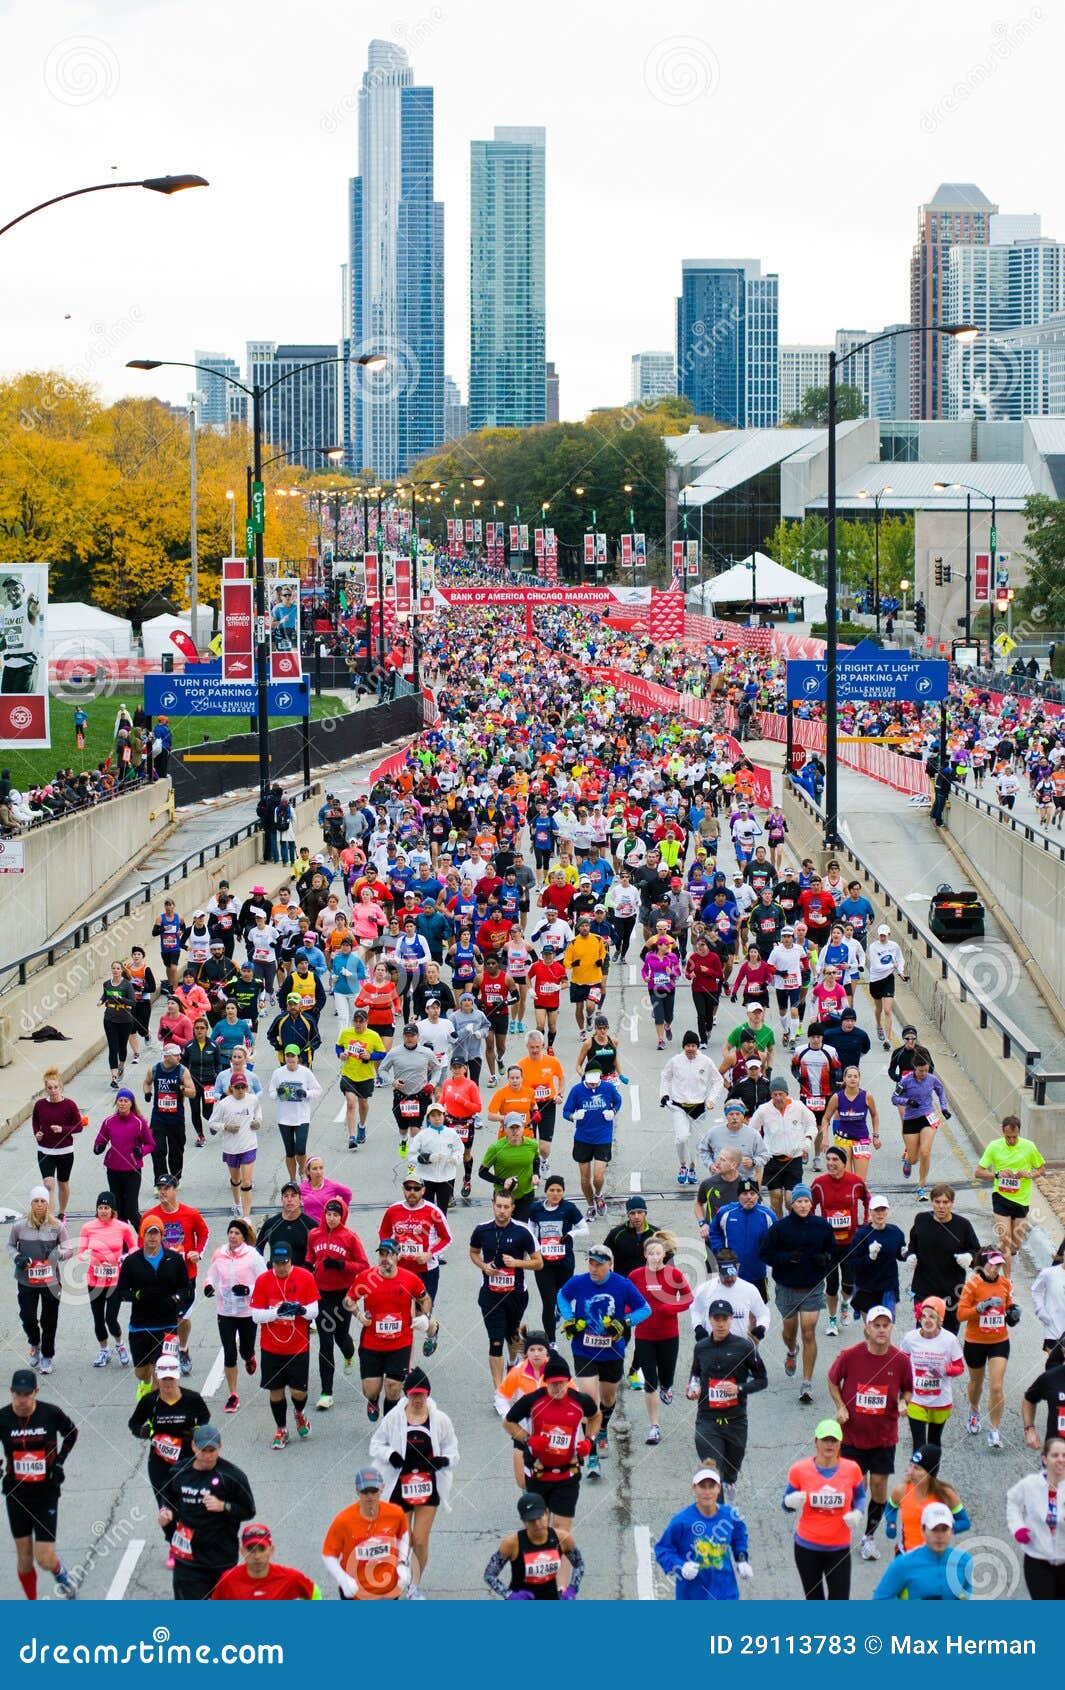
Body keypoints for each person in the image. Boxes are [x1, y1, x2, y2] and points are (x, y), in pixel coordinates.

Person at [826, 1307, 913, 1562]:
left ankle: (868, 1537)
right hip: (852, 1435)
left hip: (884, 1437)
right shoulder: (850, 1355)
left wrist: (904, 1402)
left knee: (878, 1487)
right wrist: (840, 1406)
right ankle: (839, 1530)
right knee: (854, 1486)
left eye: (886, 1325)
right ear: (867, 1328)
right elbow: (832, 1381)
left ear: (892, 1328)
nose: (881, 1330)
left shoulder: (901, 1360)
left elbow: (908, 1389)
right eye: (877, 1325)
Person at [558, 1243, 651, 1473]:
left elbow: (645, 1309)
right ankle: (591, 1457)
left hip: (612, 1352)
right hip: (584, 1350)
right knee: (589, 1402)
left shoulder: (622, 1284)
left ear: (610, 1264)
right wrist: (569, 1317)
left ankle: (602, 1430)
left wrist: (625, 1322)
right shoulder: (578, 1282)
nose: (593, 1268)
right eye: (591, 1263)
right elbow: (562, 1295)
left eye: (598, 1264)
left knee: (608, 1399)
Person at [369, 1366, 458, 1599]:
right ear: (407, 1394)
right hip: (400, 1486)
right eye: (413, 1395)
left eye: (422, 1395)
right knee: (403, 1539)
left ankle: (414, 1585)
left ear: (428, 1394)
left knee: (419, 1539)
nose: (418, 1399)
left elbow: (452, 1450)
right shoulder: (394, 1418)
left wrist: (444, 1460)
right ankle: (399, 1577)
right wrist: (390, 1455)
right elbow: (375, 1444)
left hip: (428, 1486)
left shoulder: (440, 1420)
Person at [502, 1352, 599, 1533]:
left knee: (562, 1530)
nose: (557, 1387)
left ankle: (560, 1551)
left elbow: (595, 1417)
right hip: (537, 1473)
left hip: (568, 1474)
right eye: (553, 1383)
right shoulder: (533, 1400)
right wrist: (529, 1439)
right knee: (540, 1530)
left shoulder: (579, 1400)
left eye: (561, 1382)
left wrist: (589, 1440)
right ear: (546, 1382)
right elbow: (508, 1423)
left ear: (568, 1381)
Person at [156, 1422, 255, 1599]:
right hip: (187, 1559)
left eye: (212, 1450)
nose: (208, 1456)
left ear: (220, 1447)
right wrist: (166, 1511)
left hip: (221, 1558)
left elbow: (248, 1510)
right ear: (194, 1446)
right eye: (203, 1450)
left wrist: (223, 1506)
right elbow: (167, 1496)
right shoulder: (179, 1471)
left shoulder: (232, 1476)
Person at [128, 1351, 210, 1561]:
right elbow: (134, 1423)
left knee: (187, 1504)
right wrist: (142, 1431)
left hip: (187, 1459)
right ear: (157, 1377)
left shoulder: (192, 1399)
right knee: (165, 1507)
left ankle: (189, 1541)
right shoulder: (149, 1401)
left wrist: (196, 1431)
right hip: (159, 1462)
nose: (167, 1384)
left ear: (177, 1377)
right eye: (164, 1379)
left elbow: (205, 1417)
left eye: (171, 1379)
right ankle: (174, 1545)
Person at [758, 1184, 835, 1403]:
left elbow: (833, 1248)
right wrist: (785, 1258)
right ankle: (792, 1351)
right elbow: (764, 1253)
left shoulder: (822, 1226)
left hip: (812, 1287)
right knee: (789, 1332)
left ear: (811, 1204)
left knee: (809, 1332)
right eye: (799, 1201)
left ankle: (806, 1383)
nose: (803, 1205)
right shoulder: (779, 1228)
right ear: (791, 1204)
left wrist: (825, 1258)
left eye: (806, 1201)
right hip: (787, 1287)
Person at [346, 1239, 433, 1421]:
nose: (385, 1258)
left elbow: (425, 1299)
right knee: (370, 1390)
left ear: (398, 1257)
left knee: (393, 1387)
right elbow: (349, 1300)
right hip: (372, 1343)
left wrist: (425, 1316)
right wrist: (359, 1315)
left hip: (400, 1343)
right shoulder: (366, 1278)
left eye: (390, 1254)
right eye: (382, 1254)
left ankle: (389, 1426)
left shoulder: (410, 1279)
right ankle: (372, 1401)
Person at [686, 1298, 767, 1491]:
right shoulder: (701, 1347)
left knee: (730, 1472)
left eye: (725, 1319)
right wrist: (693, 1388)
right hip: (707, 1420)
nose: (721, 1324)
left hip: (735, 1420)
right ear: (710, 1320)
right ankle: (719, 1504)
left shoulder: (745, 1347)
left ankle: (730, 1484)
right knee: (714, 1473)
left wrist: (739, 1388)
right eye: (717, 1319)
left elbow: (762, 1380)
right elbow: (696, 1372)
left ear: (731, 1319)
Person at [783, 1419, 866, 1601]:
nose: (830, 1444)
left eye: (834, 1440)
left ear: (840, 1443)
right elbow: (785, 1504)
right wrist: (790, 1501)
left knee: (840, 1599)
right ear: (816, 1441)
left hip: (839, 1548)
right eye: (825, 1439)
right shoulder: (799, 1470)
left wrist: (858, 1513)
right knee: (814, 1599)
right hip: (807, 1548)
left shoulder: (852, 1469)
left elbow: (860, 1497)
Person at [248, 1240, 318, 1449]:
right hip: (272, 1347)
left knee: (298, 1392)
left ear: (291, 1260)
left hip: (297, 1347)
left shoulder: (305, 1277)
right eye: (277, 1263)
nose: (281, 1268)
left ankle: (299, 1413)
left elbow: (314, 1310)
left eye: (284, 1263)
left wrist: (301, 1311)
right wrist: (276, 1312)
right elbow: (255, 1315)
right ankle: (281, 1429)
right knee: (275, 1391)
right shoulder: (263, 1280)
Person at [469, 1191, 542, 1389]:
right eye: (499, 1206)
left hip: (516, 1294)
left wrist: (517, 1262)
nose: (502, 1211)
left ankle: (512, 1362)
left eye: (506, 1207)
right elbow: (474, 1252)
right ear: (493, 1205)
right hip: (490, 1295)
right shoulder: (482, 1230)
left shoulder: (523, 1231)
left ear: (512, 1208)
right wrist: (483, 1266)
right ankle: (499, 1390)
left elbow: (538, 1263)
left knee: (512, 1336)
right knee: (495, 1341)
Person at [112, 1215, 191, 1398]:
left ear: (162, 1235)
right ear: (142, 1235)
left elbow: (185, 1288)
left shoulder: (174, 1259)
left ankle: (154, 1409)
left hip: (167, 1325)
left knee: (159, 1371)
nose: (153, 1237)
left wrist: (176, 1298)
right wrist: (137, 1295)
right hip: (140, 1325)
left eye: (156, 1233)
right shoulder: (132, 1261)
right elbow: (121, 1291)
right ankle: (145, 1384)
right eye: (149, 1233)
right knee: (142, 1372)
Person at [629, 1234, 695, 1443]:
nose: (655, 1257)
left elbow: (688, 1298)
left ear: (664, 1255)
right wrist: (627, 1316)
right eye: (651, 1254)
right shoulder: (635, 1276)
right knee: (650, 1382)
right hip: (644, 1336)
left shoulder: (673, 1274)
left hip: (668, 1335)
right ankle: (654, 1427)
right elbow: (627, 1301)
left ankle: (667, 1387)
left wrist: (671, 1308)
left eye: (658, 1253)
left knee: (666, 1377)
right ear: (645, 1255)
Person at [654, 1467, 753, 1600]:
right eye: (702, 1487)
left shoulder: (730, 1516)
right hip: (692, 1596)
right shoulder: (682, 1521)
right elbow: (663, 1549)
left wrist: (741, 1559)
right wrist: (681, 1567)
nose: (707, 1492)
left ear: (719, 1488)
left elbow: (739, 1537)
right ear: (694, 1488)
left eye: (711, 1486)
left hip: (725, 1593)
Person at [307, 1198, 369, 1409]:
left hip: (343, 1295)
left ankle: (349, 1354)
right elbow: (310, 1257)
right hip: (321, 1295)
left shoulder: (350, 1237)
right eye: (329, 1214)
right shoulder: (314, 1234)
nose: (331, 1219)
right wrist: (306, 1267)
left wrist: (342, 1265)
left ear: (342, 1217)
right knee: (325, 1342)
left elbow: (363, 1265)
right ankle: (327, 1392)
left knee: (340, 1337)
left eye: (336, 1215)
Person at [202, 1218, 268, 1414]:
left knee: (245, 1350)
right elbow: (211, 1275)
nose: (233, 1236)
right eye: (230, 1232)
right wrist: (208, 1286)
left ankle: (249, 1357)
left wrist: (248, 1289)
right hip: (225, 1311)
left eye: (237, 1233)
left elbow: (265, 1281)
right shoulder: (220, 1254)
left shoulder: (253, 1256)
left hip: (246, 1311)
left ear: (244, 1237)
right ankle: (233, 1395)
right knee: (229, 1353)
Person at [956, 1247, 1016, 1450]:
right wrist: (980, 1307)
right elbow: (960, 1315)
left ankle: (994, 1430)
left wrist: (1013, 1313)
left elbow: (1009, 1307)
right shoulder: (972, 1284)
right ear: (983, 1265)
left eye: (999, 1265)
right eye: (992, 1264)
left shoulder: (1005, 1283)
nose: (995, 1269)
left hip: (999, 1341)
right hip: (975, 1342)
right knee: (976, 1382)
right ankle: (974, 1410)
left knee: (997, 1386)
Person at [321, 1467, 411, 1601]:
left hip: (389, 1589)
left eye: (374, 1490)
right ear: (357, 1491)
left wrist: (402, 1563)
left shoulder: (395, 1513)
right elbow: (328, 1554)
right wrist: (343, 1579)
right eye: (365, 1491)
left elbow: (403, 1535)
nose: (370, 1496)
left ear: (382, 1488)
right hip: (356, 1591)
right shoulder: (343, 1520)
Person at [8, 1188, 72, 1374]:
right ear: (31, 1203)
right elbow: (10, 1245)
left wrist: (57, 1254)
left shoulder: (57, 1226)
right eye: (36, 1201)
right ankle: (34, 1343)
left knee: (49, 1320)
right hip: (26, 1280)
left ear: (48, 1204)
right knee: (27, 1317)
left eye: (43, 1201)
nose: (39, 1204)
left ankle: (47, 1355)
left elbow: (69, 1249)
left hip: (51, 1282)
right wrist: (18, 1257)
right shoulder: (19, 1226)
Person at [150, 1174, 208, 1377]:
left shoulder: (190, 1214)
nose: (163, 1192)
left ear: (176, 1189)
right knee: (165, 1316)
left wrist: (198, 1253)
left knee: (182, 1317)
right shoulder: (152, 1216)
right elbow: (142, 1242)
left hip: (186, 1275)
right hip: (162, 1276)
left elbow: (204, 1233)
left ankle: (182, 1349)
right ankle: (167, 1355)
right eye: (160, 1189)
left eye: (166, 1188)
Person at [906, 1183, 981, 1335]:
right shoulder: (921, 1220)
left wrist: (969, 1257)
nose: (941, 1206)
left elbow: (977, 1251)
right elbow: (912, 1244)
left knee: (948, 1334)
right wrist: (911, 1255)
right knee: (924, 1331)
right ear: (931, 1202)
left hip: (951, 1291)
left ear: (952, 1203)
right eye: (937, 1202)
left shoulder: (963, 1225)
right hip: (924, 1288)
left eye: (945, 1202)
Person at [484, 1489, 584, 1600]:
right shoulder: (512, 1543)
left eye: (539, 1517)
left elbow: (579, 1564)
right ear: (523, 1521)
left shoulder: (562, 1538)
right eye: (531, 1520)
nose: (537, 1524)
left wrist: (572, 1589)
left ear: (546, 1514)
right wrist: (510, 1595)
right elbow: (489, 1575)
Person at [974, 1113, 1046, 1268]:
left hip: (1021, 1199)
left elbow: (1042, 1169)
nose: (1012, 1140)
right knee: (1005, 1239)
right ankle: (1007, 1278)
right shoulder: (994, 1146)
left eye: (1014, 1137)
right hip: (1001, 1196)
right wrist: (997, 1174)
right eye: (1008, 1137)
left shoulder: (1029, 1146)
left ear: (1019, 1132)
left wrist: (1029, 1175)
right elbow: (978, 1172)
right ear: (1003, 1132)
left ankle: (1012, 1255)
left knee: (1016, 1244)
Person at [76, 1192, 137, 1368]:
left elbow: (134, 1247)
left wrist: (126, 1257)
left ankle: (120, 1344)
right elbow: (80, 1253)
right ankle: (104, 1350)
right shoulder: (88, 1228)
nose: (103, 1211)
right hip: (94, 1281)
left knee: (111, 1318)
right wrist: (85, 1255)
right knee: (98, 1319)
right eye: (100, 1208)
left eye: (106, 1208)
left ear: (113, 1210)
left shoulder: (122, 1227)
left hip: (114, 1281)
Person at [898, 1296, 966, 1450]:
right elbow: (901, 1366)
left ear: (940, 1320)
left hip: (940, 1401)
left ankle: (931, 1467)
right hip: (916, 1399)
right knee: (919, 1446)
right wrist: (902, 1398)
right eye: (924, 1316)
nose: (927, 1320)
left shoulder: (950, 1340)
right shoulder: (910, 1338)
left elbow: (960, 1367)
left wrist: (945, 1370)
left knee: (934, 1445)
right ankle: (917, 1466)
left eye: (932, 1317)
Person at [659, 1032, 725, 1187]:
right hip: (679, 1106)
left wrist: (711, 1099)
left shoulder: (706, 1061)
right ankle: (683, 1166)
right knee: (681, 1138)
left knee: (695, 1142)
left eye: (693, 1045)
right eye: (688, 1045)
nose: (690, 1048)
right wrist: (664, 1094)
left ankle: (692, 1168)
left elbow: (718, 1081)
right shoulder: (675, 1061)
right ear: (684, 1046)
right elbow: (665, 1076)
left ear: (697, 1046)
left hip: (698, 1107)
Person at [872, 1501, 973, 1599]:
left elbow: (965, 1592)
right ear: (923, 1531)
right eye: (934, 1529)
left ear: (952, 1531)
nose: (940, 1535)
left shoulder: (964, 1561)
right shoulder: (903, 1564)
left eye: (944, 1529)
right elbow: (880, 1599)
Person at [1006, 1436, 1065, 1599]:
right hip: (1037, 1559)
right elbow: (1012, 1501)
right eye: (1055, 1455)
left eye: (1064, 1455)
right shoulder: (1031, 1484)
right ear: (1045, 1459)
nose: (1060, 1460)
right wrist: (1018, 1528)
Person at [884, 1444, 970, 1552]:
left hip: (933, 1555)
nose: (910, 1472)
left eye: (917, 1468)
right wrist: (891, 1523)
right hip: (905, 1553)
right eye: (910, 1465)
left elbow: (964, 1522)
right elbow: (891, 1507)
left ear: (930, 1473)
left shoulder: (945, 1494)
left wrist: (944, 1530)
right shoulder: (902, 1490)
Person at [562, 1065, 622, 1220]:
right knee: (585, 1178)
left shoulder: (608, 1088)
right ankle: (590, 1205)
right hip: (583, 1138)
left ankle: (598, 1195)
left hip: (603, 1136)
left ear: (600, 1077)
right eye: (590, 1082)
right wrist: (574, 1116)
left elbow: (618, 1101)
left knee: (598, 1177)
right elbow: (566, 1112)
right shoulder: (576, 1090)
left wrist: (613, 1112)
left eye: (595, 1082)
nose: (593, 1085)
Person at [211, 1521, 321, 1600]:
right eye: (251, 1550)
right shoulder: (227, 1580)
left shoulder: (291, 1578)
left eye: (262, 1549)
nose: (257, 1556)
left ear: (271, 1550)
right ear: (242, 1551)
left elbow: (314, 1594)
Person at [891, 1056, 949, 1199]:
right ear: (915, 1068)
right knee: (914, 1159)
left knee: (925, 1151)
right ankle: (908, 1160)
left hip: (928, 1117)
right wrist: (908, 1101)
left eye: (926, 1070)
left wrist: (943, 1108)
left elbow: (941, 1091)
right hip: (911, 1120)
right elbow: (894, 1098)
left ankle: (921, 1186)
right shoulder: (905, 1081)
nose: (923, 1073)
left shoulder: (932, 1079)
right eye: (920, 1071)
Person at [31, 1069, 85, 1221]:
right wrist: (37, 1133)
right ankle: (51, 1217)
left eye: (56, 1087)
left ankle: (61, 1213)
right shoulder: (40, 1105)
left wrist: (62, 1129)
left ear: (61, 1087)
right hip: (45, 1151)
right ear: (45, 1088)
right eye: (50, 1088)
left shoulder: (70, 1105)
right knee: (48, 1184)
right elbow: (35, 1120)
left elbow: (79, 1127)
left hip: (65, 1151)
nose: (53, 1091)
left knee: (63, 1183)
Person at [208, 1070, 262, 1220]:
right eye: (237, 1087)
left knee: (246, 1181)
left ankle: (246, 1215)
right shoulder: (224, 1104)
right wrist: (225, 1127)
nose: (240, 1090)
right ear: (231, 1088)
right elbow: (212, 1123)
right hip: (231, 1147)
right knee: (236, 1180)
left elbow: (258, 1112)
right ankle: (237, 1203)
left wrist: (258, 1121)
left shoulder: (252, 1100)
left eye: (243, 1087)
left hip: (249, 1145)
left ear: (247, 1087)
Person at [708, 1179, 773, 1297]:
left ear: (757, 1196)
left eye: (752, 1193)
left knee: (758, 1305)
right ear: (738, 1196)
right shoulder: (725, 1212)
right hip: (730, 1271)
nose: (749, 1197)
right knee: (730, 1304)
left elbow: (777, 1238)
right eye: (745, 1193)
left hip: (758, 1272)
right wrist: (720, 1250)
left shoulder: (767, 1215)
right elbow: (714, 1232)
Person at [268, 1046, 324, 1183]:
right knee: (290, 1151)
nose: (290, 1059)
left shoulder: (305, 1072)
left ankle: (303, 1172)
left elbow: (318, 1090)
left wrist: (306, 1093)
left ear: (298, 1057)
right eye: (287, 1056)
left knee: (300, 1149)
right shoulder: (278, 1073)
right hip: (284, 1118)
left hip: (301, 1117)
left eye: (293, 1056)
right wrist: (279, 1094)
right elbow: (271, 1093)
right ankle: (292, 1180)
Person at [847, 1195, 907, 1319]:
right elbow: (853, 1264)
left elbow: (899, 1254)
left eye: (883, 1209)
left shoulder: (895, 1232)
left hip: (889, 1288)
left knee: (886, 1327)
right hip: (867, 1289)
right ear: (870, 1211)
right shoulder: (861, 1235)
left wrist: (906, 1254)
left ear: (888, 1211)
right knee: (871, 1327)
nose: (880, 1213)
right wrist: (870, 1257)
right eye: (876, 1210)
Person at [143, 1043, 196, 1182]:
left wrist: (180, 1088)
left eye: (179, 1055)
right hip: (158, 1118)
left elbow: (193, 1092)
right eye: (176, 1055)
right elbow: (146, 1082)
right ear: (167, 1056)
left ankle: (174, 1179)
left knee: (176, 1152)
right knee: (157, 1151)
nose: (179, 1057)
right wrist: (147, 1093)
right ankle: (161, 1181)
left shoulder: (182, 1071)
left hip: (176, 1119)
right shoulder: (154, 1069)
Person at [336, 1007, 384, 1149]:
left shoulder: (373, 1036)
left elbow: (382, 1053)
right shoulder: (346, 1033)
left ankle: (361, 1126)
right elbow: (338, 1046)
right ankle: (352, 1137)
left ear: (366, 1022)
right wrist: (340, 1054)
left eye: (360, 1021)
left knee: (363, 1103)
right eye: (355, 1021)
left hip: (365, 1076)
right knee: (351, 1103)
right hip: (348, 1074)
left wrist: (370, 1056)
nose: (357, 1024)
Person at [256, 1182, 314, 1268]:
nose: (289, 1200)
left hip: (301, 1273)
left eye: (293, 1196)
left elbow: (319, 1253)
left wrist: (307, 1269)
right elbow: (257, 1250)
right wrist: (264, 1268)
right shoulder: (270, 1224)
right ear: (282, 1200)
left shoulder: (310, 1225)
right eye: (286, 1196)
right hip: (275, 1272)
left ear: (300, 1199)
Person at [867, 923, 907, 1048]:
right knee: (878, 1009)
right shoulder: (873, 947)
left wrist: (900, 971)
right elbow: (877, 967)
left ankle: (887, 1039)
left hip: (888, 978)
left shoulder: (894, 946)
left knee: (888, 1010)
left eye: (884, 935)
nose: (882, 938)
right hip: (876, 980)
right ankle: (879, 1025)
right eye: (880, 936)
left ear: (889, 934)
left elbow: (900, 959)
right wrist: (892, 966)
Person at [100, 960, 136, 1087]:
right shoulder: (106, 984)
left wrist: (120, 998)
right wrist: (101, 1001)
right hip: (110, 1019)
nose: (115, 970)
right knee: (113, 1047)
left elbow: (132, 1002)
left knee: (122, 1046)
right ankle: (114, 1078)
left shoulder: (127, 985)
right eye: (113, 968)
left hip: (125, 1020)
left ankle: (121, 1066)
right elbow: (105, 995)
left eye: (117, 968)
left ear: (121, 970)